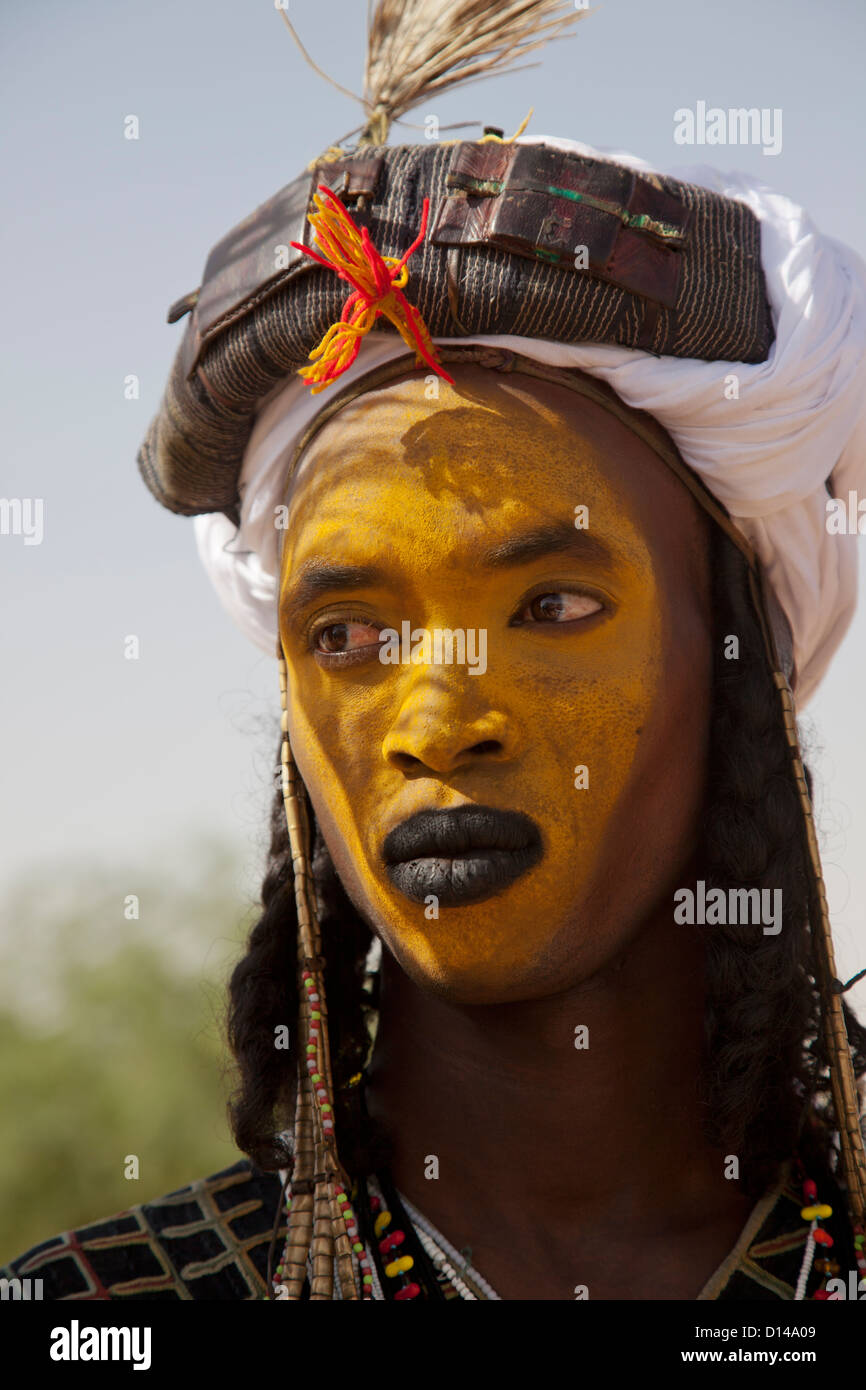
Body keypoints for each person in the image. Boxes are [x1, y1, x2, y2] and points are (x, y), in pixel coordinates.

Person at [5, 0, 866, 1301]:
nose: (434, 718)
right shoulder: (97, 1311)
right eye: (347, 634)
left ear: (732, 652)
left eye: (551, 607)